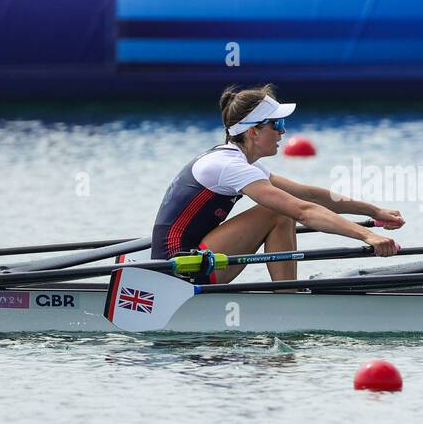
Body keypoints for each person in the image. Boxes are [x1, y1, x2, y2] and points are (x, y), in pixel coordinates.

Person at [151, 85, 404, 284]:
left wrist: (375, 212)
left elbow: (308, 195)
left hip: (198, 259)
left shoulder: (240, 161)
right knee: (278, 210)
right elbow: (303, 210)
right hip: (179, 268)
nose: (283, 132)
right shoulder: (228, 166)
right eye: (277, 125)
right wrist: (368, 235)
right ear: (253, 132)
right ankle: (287, 299)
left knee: (283, 210)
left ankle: (287, 294)